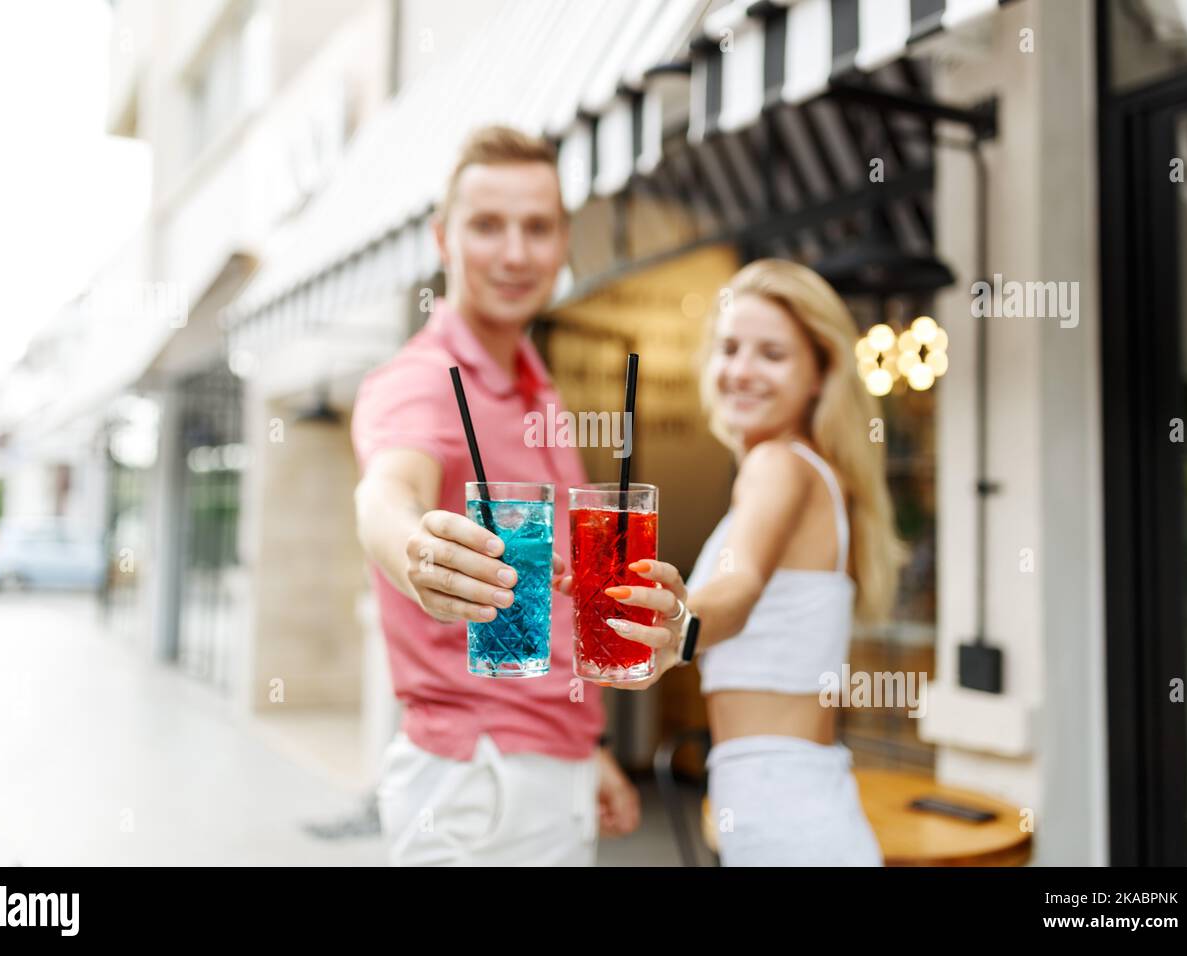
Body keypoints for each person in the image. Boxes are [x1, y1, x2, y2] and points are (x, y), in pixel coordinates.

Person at [352, 125, 640, 866]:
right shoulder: (421, 380)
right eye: (488, 226)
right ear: (443, 239)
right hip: (476, 784)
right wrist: (416, 551)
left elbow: (570, 605)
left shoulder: (537, 387)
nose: (515, 253)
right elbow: (385, 493)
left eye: (537, 228)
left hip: (548, 764)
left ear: (564, 241)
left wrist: (586, 747)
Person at [566, 259, 901, 865]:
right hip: (787, 802)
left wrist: (682, 626)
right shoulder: (808, 470)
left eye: (771, 354)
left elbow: (739, 585)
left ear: (820, 373)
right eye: (729, 349)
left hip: (787, 814)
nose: (742, 371)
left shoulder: (779, 465)